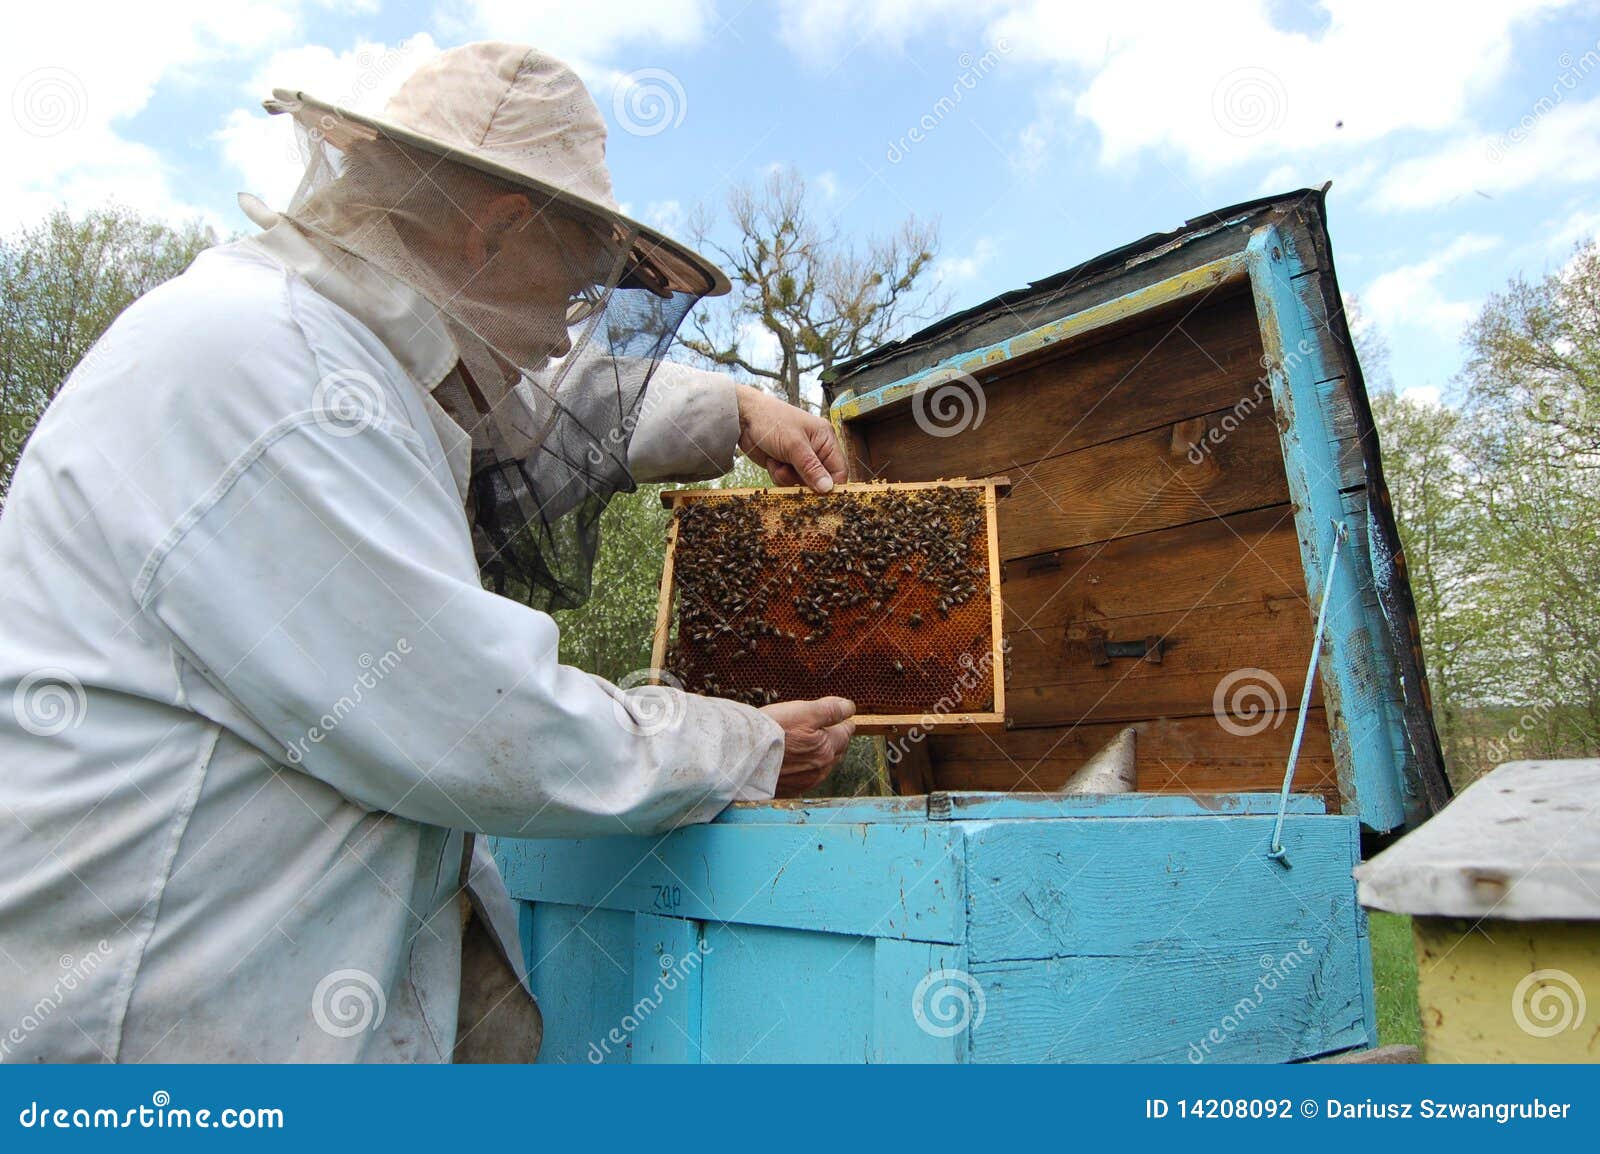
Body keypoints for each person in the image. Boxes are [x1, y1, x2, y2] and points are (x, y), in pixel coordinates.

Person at [0, 42, 856, 1063]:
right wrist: (746, 745)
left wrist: (730, 406)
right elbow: (488, 726)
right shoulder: (283, 380)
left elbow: (536, 416)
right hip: (161, 1032)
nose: (561, 334)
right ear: (491, 234)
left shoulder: (318, 343)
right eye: (569, 296)